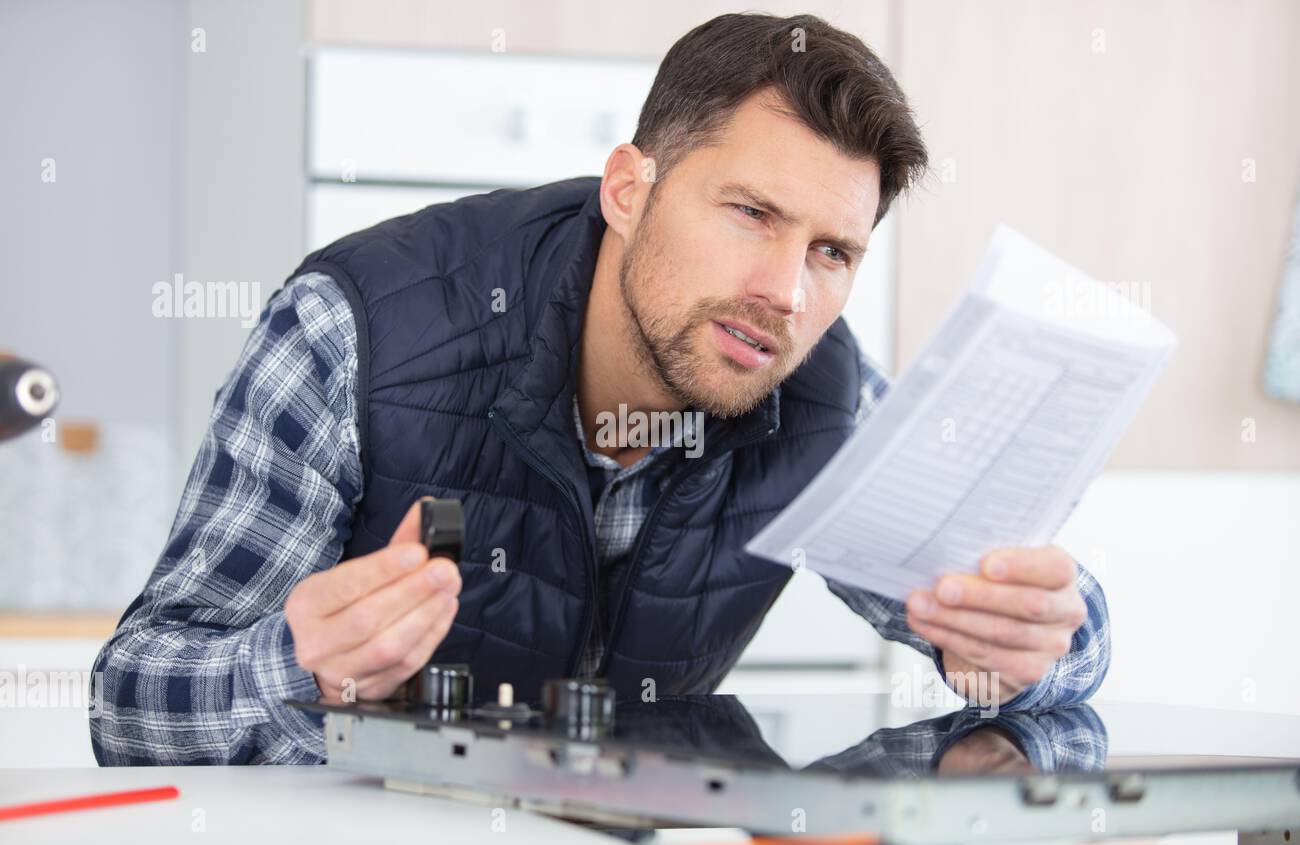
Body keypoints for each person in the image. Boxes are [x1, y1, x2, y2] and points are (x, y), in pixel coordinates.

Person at [91, 12, 1109, 766]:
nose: (784, 294)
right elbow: (126, 705)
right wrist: (293, 664)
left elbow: (1060, 646)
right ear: (628, 188)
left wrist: (1032, 636)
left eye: (833, 250)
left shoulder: (821, 391)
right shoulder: (353, 330)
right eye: (751, 213)